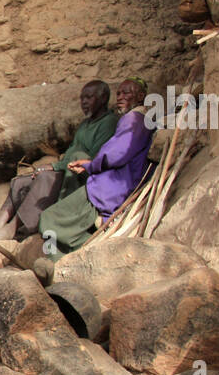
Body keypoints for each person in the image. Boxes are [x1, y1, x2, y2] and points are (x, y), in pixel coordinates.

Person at [0, 81, 118, 241]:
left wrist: (54, 166)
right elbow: (71, 150)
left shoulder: (109, 123)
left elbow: (92, 158)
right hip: (67, 167)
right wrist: (55, 165)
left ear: (103, 98)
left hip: (81, 175)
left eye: (89, 98)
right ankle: (0, 220)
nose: (84, 102)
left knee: (45, 178)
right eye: (82, 98)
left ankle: (13, 228)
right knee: (22, 181)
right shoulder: (85, 124)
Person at [39, 78, 154, 257]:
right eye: (119, 93)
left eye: (127, 93)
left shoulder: (134, 120)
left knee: (48, 219)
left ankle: (60, 260)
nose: (121, 97)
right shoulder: (139, 120)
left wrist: (91, 165)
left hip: (108, 189)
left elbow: (116, 154)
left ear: (140, 96)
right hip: (112, 185)